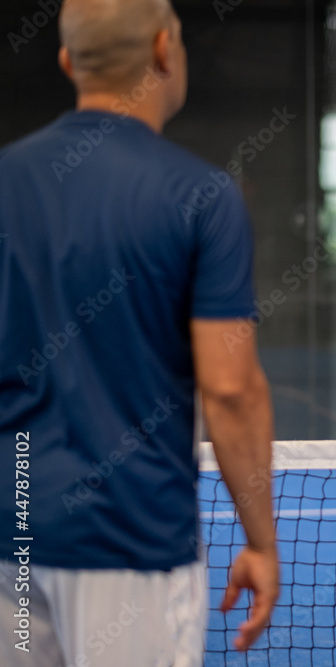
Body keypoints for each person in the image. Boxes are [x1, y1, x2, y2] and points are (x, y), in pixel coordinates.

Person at [0, 1, 278, 665]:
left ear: (68, 61)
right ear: (164, 50)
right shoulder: (204, 196)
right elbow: (232, 388)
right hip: (134, 547)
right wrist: (261, 543)